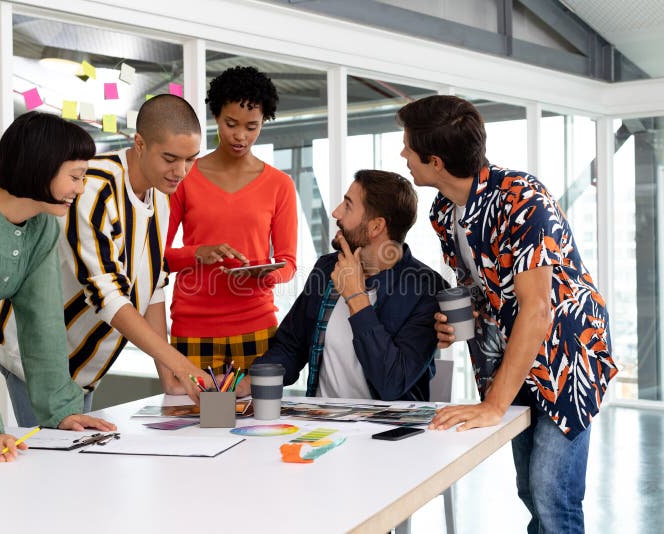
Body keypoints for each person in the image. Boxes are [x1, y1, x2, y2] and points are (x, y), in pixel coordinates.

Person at [397, 95, 618, 533]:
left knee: (552, 494)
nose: (403, 155)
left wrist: (493, 405)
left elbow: (537, 309)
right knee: (531, 491)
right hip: (511, 356)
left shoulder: (522, 199)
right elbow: (483, 289)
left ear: (435, 161)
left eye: (408, 147)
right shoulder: (445, 211)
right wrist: (456, 321)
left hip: (565, 357)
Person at [0, 95, 210, 427]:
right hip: (36, 357)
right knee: (55, 469)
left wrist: (168, 374)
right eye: (170, 158)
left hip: (85, 365)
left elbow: (154, 289)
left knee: (76, 465)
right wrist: (181, 364)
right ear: (139, 143)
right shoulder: (92, 187)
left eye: (190, 160)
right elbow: (106, 295)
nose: (181, 172)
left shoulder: (160, 198)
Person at [0, 112, 115, 461]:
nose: (80, 188)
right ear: (41, 167)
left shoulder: (42, 226)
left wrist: (61, 410)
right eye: (75, 176)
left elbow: (43, 322)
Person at [238, 170, 445, 401]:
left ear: (376, 227)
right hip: (321, 424)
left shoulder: (426, 288)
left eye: (348, 206)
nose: (336, 212)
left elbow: (392, 382)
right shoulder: (327, 269)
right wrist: (246, 384)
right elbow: (290, 346)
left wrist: (355, 295)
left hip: (384, 431)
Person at [162, 66, 297, 392]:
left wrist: (266, 274)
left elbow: (288, 263)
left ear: (264, 121)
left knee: (259, 428)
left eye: (252, 127)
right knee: (191, 429)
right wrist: (198, 254)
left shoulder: (280, 185)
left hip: (257, 326)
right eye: (230, 124)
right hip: (193, 327)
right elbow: (159, 257)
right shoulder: (185, 177)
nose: (241, 136)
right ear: (216, 118)